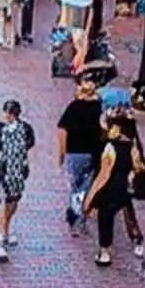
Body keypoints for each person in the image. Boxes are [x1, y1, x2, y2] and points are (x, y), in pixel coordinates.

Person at [83, 112, 145, 267]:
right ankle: (137, 239)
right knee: (127, 213)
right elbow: (138, 168)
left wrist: (89, 198)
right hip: (125, 189)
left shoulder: (111, 148)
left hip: (110, 189)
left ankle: (105, 252)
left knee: (105, 218)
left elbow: (103, 176)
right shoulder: (132, 147)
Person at [0, 99, 35, 263]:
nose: (7, 115)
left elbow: (29, 146)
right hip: (2, 172)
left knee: (12, 204)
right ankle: (0, 242)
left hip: (18, 173)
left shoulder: (25, 129)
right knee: (1, 206)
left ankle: (5, 228)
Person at [57, 80, 103, 235]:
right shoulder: (98, 109)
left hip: (75, 153)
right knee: (87, 187)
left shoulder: (73, 108)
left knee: (76, 188)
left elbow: (63, 131)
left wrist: (61, 154)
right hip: (93, 153)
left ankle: (74, 219)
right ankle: (82, 218)